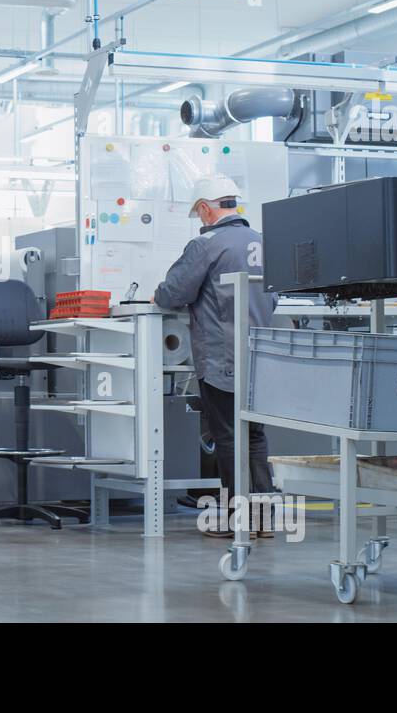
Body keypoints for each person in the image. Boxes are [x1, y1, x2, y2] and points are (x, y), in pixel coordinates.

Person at [153, 176, 277, 538]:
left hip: (222, 356)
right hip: (258, 357)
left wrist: (157, 296)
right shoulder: (263, 242)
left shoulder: (206, 243)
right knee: (254, 437)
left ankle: (238, 521)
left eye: (198, 213)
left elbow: (172, 293)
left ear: (206, 208)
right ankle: (262, 519)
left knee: (226, 437)